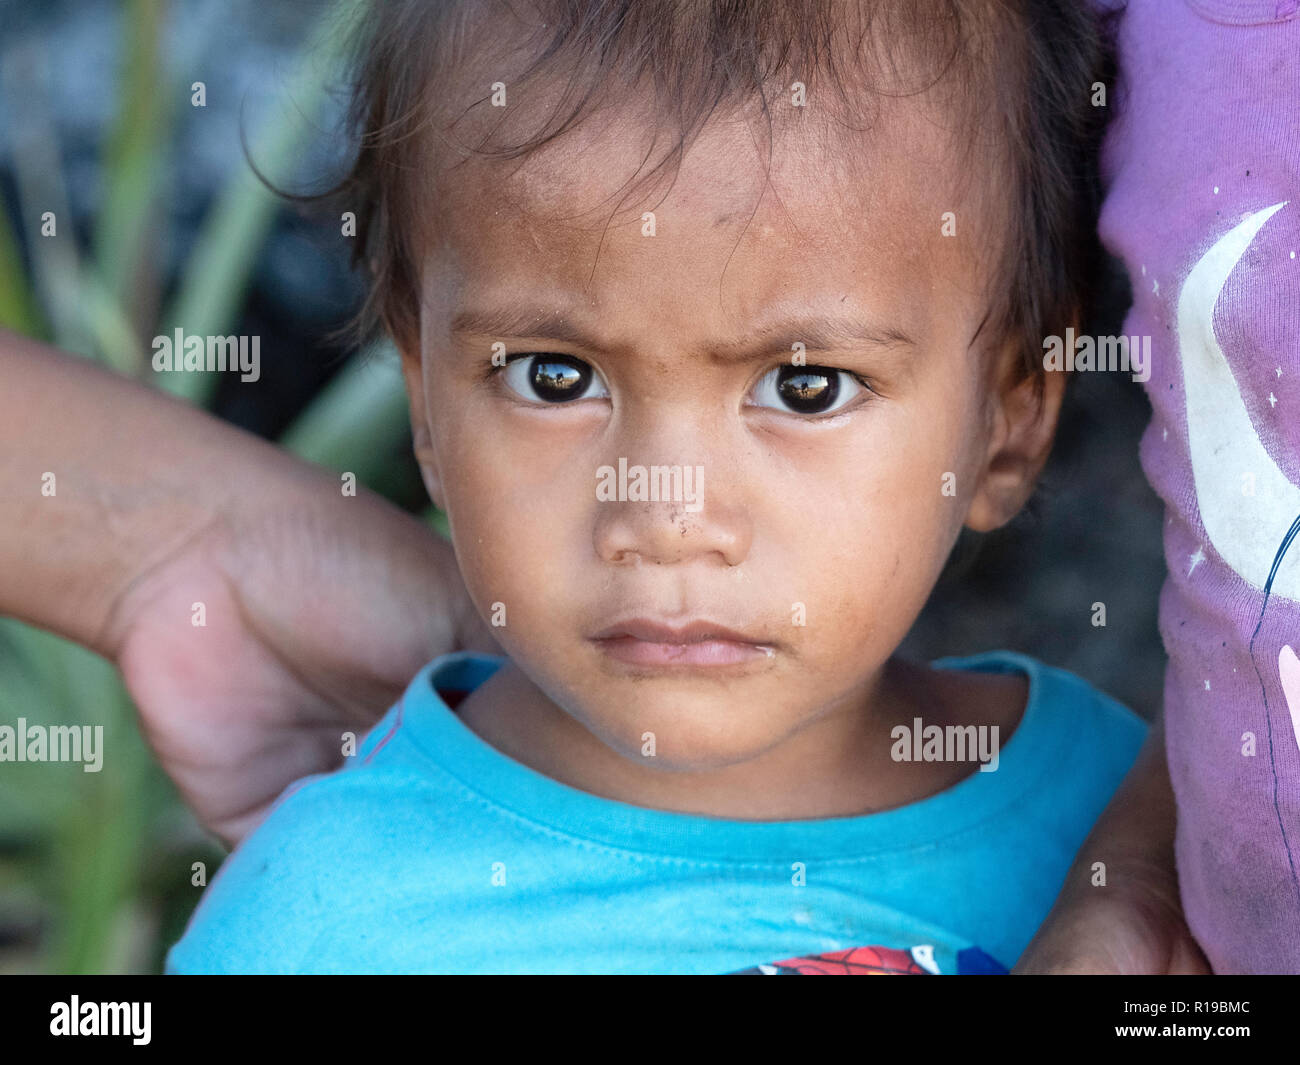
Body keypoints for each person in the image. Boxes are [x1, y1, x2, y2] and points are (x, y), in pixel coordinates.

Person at [150, 0, 1150, 974]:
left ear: (1010, 419)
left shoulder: (1126, 825)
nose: (668, 519)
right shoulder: (327, 929)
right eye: (554, 377)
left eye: (805, 388)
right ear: (425, 403)